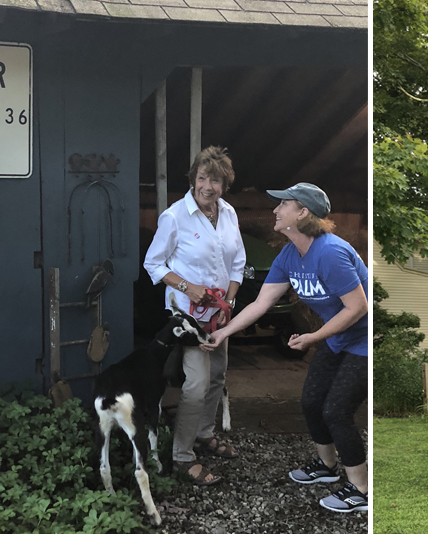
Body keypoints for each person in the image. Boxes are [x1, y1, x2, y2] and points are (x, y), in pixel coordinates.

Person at [202, 182, 370, 513]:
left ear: (302, 213)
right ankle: (327, 467)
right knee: (310, 402)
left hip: (362, 342)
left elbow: (358, 308)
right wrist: (225, 332)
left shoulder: (331, 253)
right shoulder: (290, 254)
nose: (275, 211)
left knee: (336, 410)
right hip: (334, 339)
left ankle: (361, 490)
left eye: (283, 205)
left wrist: (313, 337)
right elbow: (261, 303)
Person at [142, 146, 246, 486]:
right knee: (197, 384)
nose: (208, 187)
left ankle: (204, 433)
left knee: (217, 375)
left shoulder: (228, 213)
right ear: (193, 179)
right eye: (202, 178)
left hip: (220, 317)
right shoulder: (175, 216)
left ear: (224, 184)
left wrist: (228, 303)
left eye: (215, 181)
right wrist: (187, 287)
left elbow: (238, 263)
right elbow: (154, 264)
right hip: (188, 320)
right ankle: (183, 456)